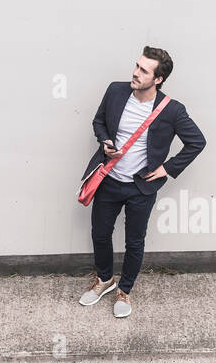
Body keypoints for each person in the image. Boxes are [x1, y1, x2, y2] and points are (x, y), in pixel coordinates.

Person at [79, 47, 206, 317]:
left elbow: (197, 142)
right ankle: (105, 280)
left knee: (134, 242)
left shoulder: (172, 110)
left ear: (158, 79)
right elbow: (99, 121)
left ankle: (124, 290)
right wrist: (106, 141)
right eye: (136, 66)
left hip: (141, 188)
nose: (135, 73)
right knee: (100, 233)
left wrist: (167, 169)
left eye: (143, 71)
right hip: (109, 181)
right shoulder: (115, 91)